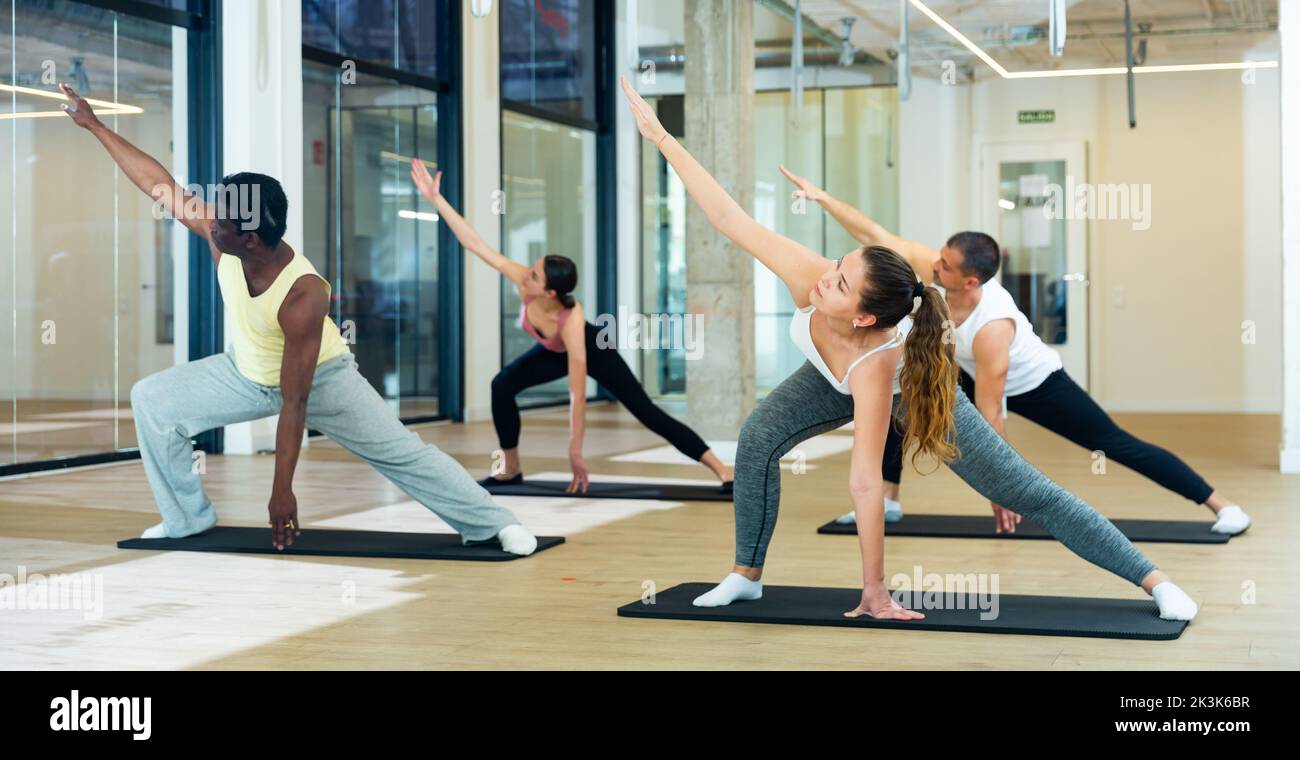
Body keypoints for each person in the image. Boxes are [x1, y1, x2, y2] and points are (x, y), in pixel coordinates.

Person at [622, 76, 1197, 621]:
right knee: (757, 439)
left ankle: (1157, 581)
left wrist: (874, 590)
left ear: (867, 315)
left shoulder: (881, 361)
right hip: (828, 373)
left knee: (1028, 491)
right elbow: (729, 217)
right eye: (840, 266)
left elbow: (865, 481)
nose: (828, 280)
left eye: (842, 283)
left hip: (919, 391)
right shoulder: (812, 279)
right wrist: (664, 138)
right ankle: (746, 574)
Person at [59, 83, 537, 555]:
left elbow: (295, 401)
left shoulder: (302, 293)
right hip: (244, 370)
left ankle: (495, 523)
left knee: (402, 454)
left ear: (251, 239)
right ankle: (186, 519)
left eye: (220, 220)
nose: (208, 221)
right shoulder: (225, 237)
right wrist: (95, 125)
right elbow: (159, 186)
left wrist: (281, 490)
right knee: (153, 400)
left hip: (322, 379)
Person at [780, 166, 1251, 537]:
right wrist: (823, 199)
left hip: (1038, 384)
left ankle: (1220, 504)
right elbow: (875, 234)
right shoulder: (940, 274)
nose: (932, 265)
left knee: (1113, 442)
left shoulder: (993, 329)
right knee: (897, 404)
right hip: (963, 366)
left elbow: (991, 414)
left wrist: (999, 488)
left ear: (969, 282)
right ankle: (886, 500)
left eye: (943, 265)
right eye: (938, 256)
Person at [410, 158, 733, 494]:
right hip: (552, 350)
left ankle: (721, 469)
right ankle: (511, 468)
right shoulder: (525, 281)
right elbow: (474, 244)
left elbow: (578, 395)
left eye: (534, 275)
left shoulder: (571, 320)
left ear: (550, 292)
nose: (525, 276)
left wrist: (574, 451)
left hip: (593, 350)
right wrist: (436, 200)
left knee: (645, 411)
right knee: (502, 385)